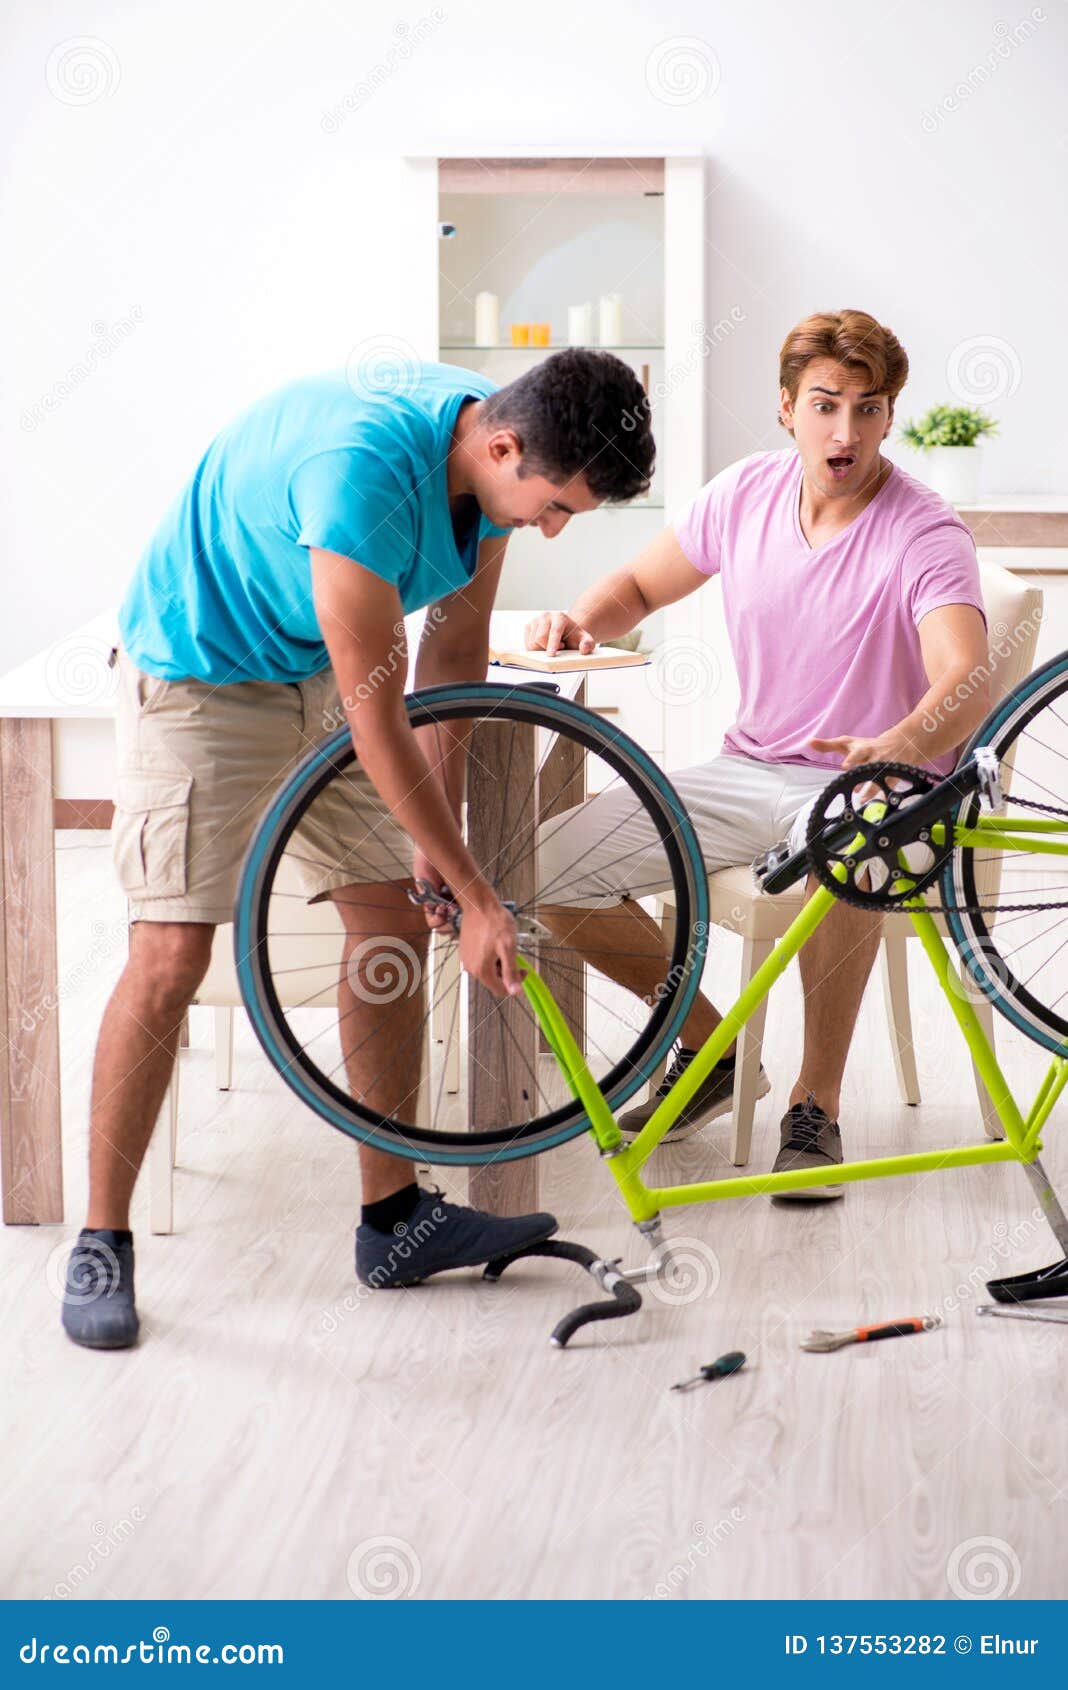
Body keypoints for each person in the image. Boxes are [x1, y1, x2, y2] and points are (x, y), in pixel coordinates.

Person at [62, 349, 656, 1348]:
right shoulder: (362, 470)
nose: (551, 527)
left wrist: (444, 844)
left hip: (316, 672)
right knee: (170, 953)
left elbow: (452, 658)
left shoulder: (491, 468)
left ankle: (395, 1222)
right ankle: (99, 1239)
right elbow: (379, 719)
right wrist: (473, 891)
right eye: (553, 504)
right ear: (506, 445)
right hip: (202, 669)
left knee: (385, 918)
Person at [527, 310, 991, 1198]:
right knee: (546, 863)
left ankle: (815, 1106)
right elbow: (633, 585)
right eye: (825, 405)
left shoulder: (925, 532)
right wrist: (579, 621)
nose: (844, 431)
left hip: (883, 789)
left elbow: (964, 676)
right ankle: (712, 1050)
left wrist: (896, 743)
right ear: (787, 409)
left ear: (890, 415)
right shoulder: (744, 495)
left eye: (867, 407)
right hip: (749, 770)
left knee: (847, 841)